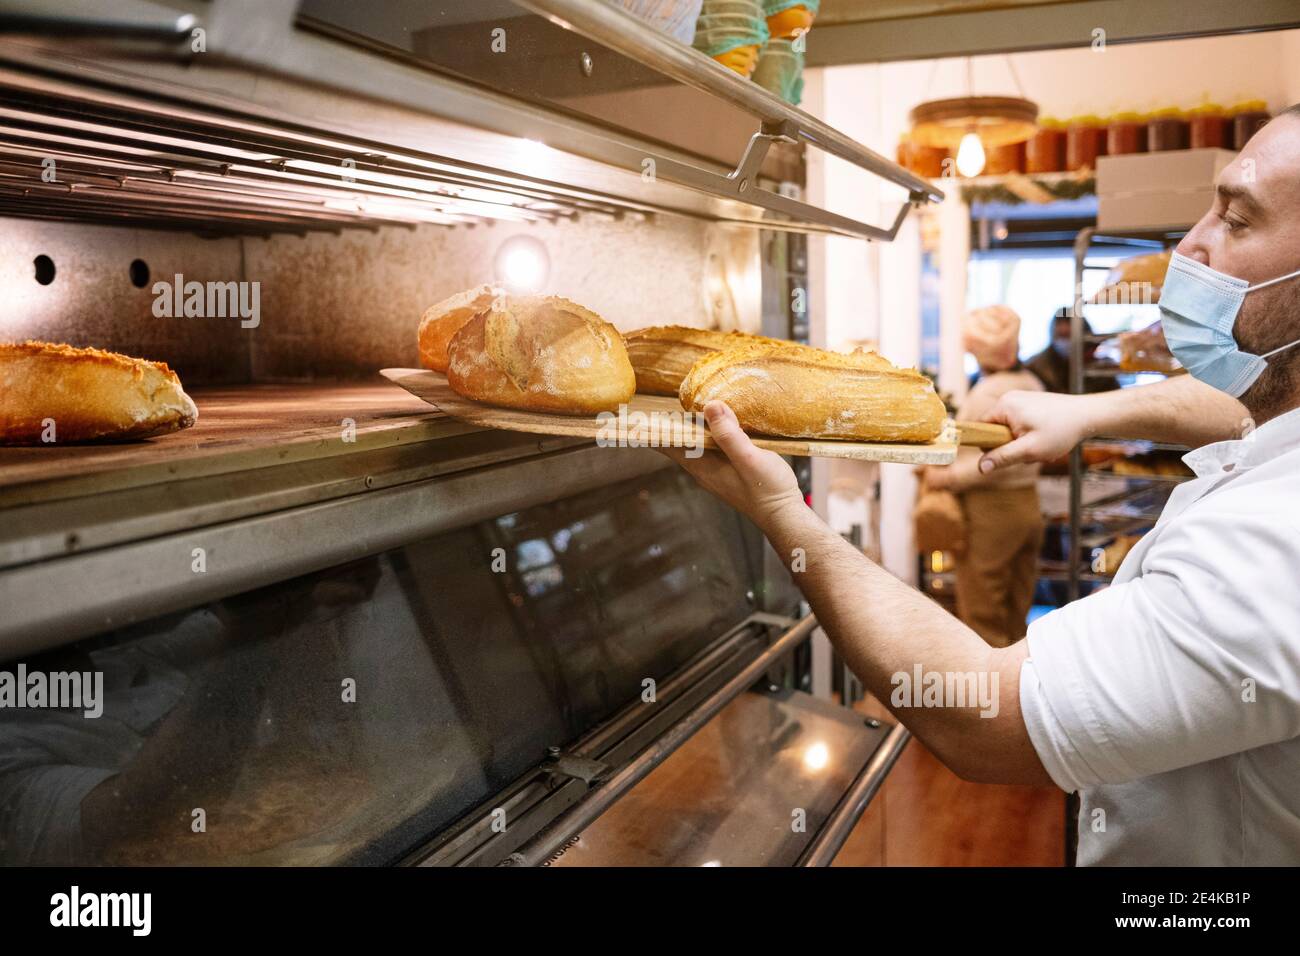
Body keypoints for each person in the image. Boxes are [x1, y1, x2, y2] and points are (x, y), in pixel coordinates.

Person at [661, 104, 1300, 865]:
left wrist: (781, 510)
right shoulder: (1276, 435)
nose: (1190, 243)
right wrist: (1092, 411)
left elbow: (980, 712)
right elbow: (1242, 414)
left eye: (1235, 217)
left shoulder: (1273, 545)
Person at [922, 306, 1044, 647]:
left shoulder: (990, 393)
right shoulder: (1032, 382)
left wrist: (943, 478)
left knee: (983, 612)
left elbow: (989, 462)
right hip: (1029, 507)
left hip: (993, 514)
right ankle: (1022, 689)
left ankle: (989, 696)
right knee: (1016, 608)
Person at [1025, 307, 1117, 394]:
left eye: (1068, 336)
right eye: (1061, 337)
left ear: (1084, 332)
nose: (1063, 328)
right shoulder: (1036, 366)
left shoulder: (1101, 367)